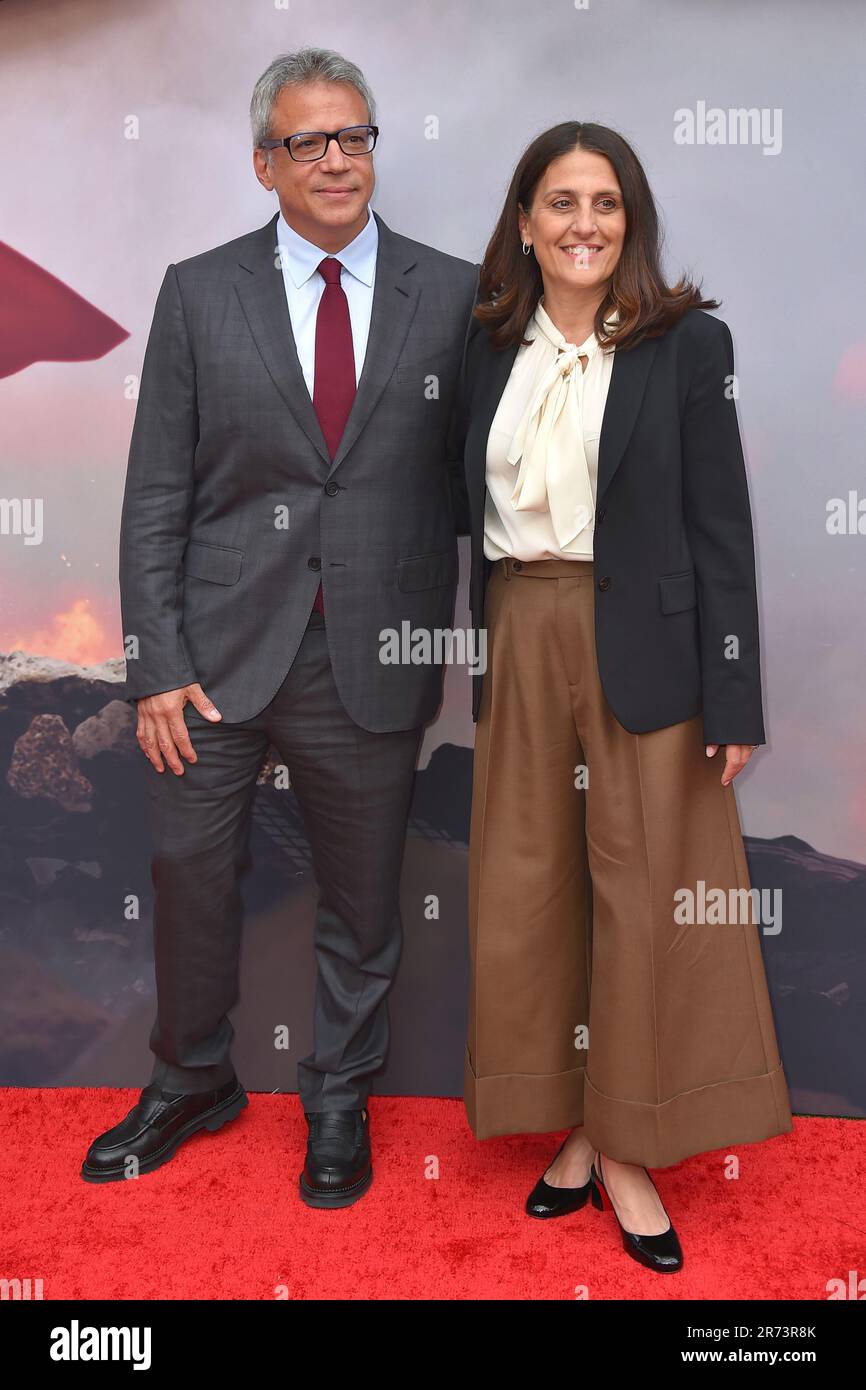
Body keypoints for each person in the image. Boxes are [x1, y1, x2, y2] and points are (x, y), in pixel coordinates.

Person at [81, 47, 477, 1208]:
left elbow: (485, 480)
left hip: (372, 652)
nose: (336, 159)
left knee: (360, 901)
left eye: (353, 136)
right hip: (209, 657)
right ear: (265, 163)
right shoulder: (198, 291)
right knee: (192, 873)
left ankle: (338, 1100)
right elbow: (157, 489)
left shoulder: (451, 294)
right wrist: (153, 660)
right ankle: (192, 1079)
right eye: (307, 141)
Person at [457, 121, 793, 1272]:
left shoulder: (687, 345)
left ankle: (629, 1146)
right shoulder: (483, 339)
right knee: (529, 891)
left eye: (604, 203)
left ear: (630, 221)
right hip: (519, 626)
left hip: (644, 649)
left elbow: (721, 531)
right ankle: (573, 1124)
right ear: (524, 221)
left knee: (646, 894)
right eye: (560, 202)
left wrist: (735, 695)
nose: (583, 223)